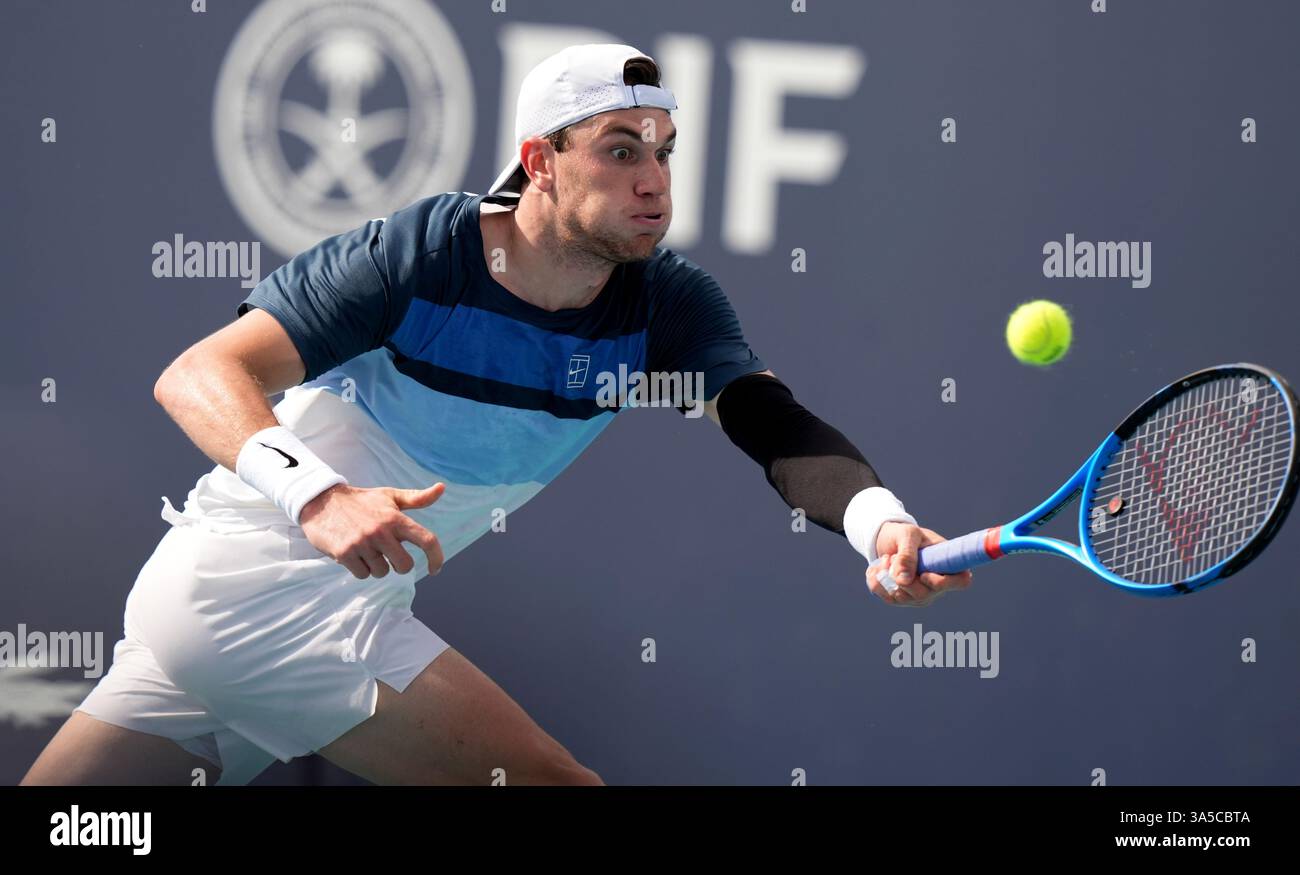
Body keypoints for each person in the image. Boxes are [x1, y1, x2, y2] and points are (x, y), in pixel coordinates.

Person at [21, 44, 971, 787]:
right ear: (539, 162)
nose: (654, 182)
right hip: (264, 597)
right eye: (620, 150)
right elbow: (199, 372)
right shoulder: (420, 256)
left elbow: (776, 427)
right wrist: (317, 496)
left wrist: (879, 525)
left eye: (665, 153)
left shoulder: (667, 306)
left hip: (240, 613)